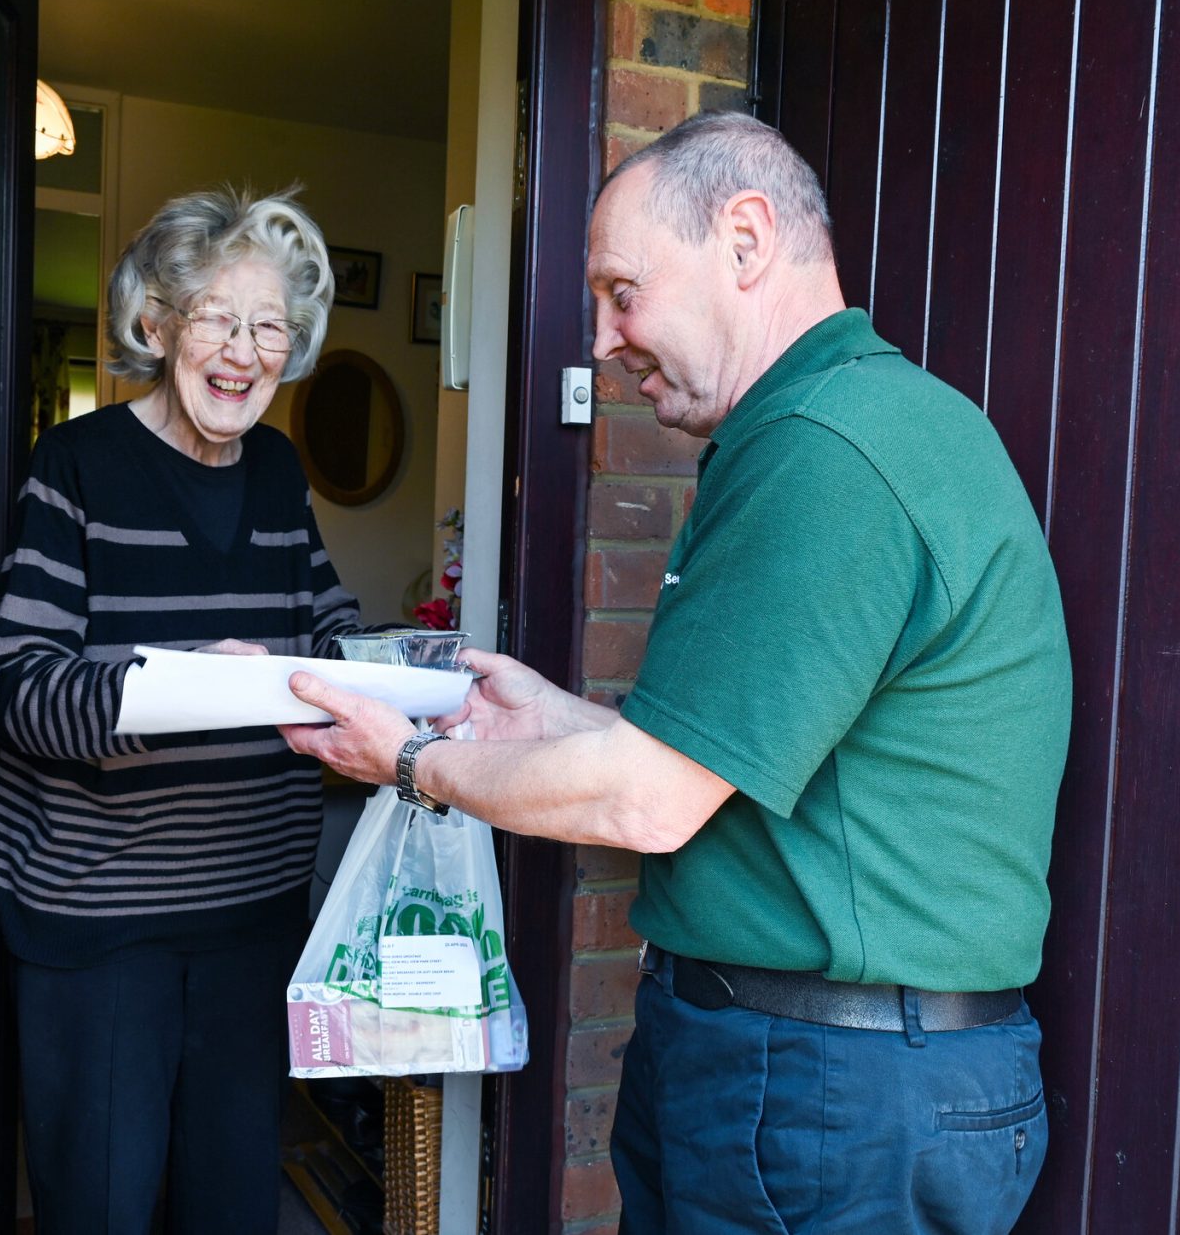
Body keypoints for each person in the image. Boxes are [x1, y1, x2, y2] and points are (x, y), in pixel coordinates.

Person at [280, 112, 1073, 1234]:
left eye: (621, 290)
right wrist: (542, 715)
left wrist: (412, 759)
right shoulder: (827, 429)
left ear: (745, 239)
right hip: (817, 1072)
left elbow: (650, 798)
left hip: (830, 1090)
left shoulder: (831, 452)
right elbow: (716, 754)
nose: (604, 338)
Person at [0, 186, 361, 1234]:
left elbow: (334, 634)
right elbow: (15, 689)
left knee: (233, 1208)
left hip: (253, 914)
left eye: (270, 325)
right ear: (159, 323)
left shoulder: (280, 472)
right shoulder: (80, 466)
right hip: (102, 931)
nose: (243, 351)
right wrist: (181, 680)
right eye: (217, 318)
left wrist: (398, 675)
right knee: (98, 1207)